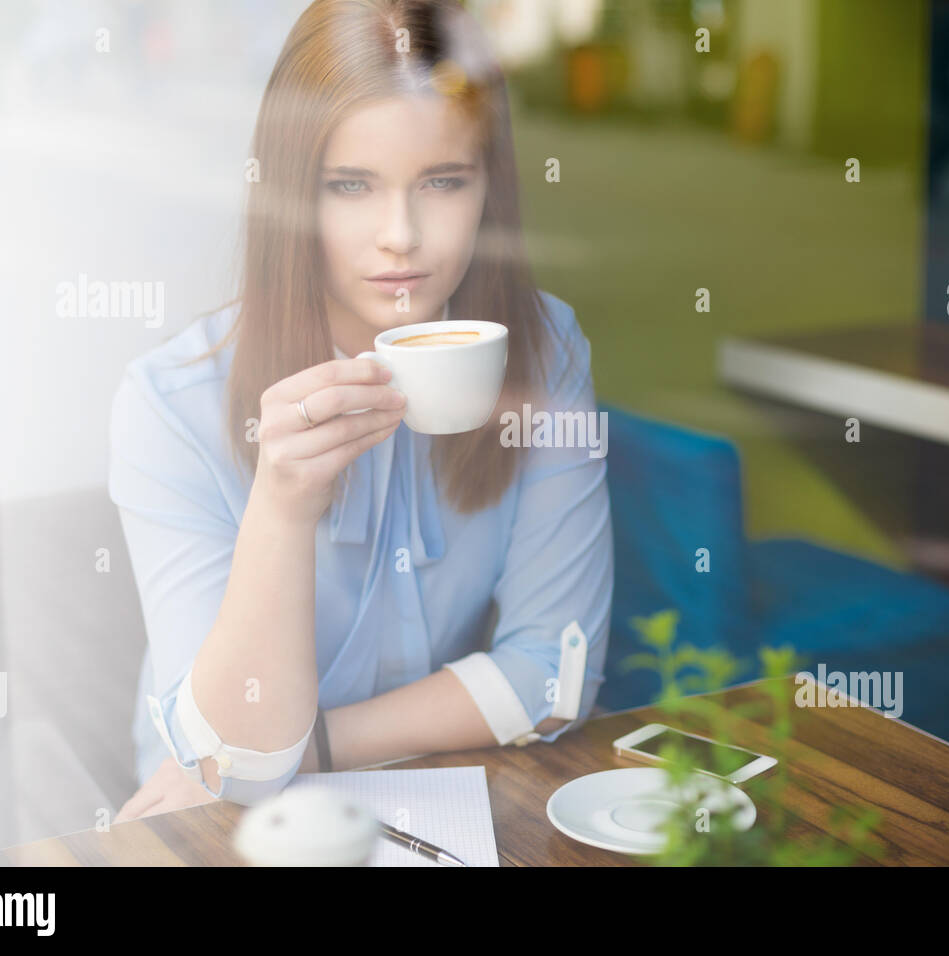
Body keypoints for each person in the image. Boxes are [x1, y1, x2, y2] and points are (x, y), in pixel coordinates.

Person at [110, 0, 612, 820]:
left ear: (491, 186)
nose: (400, 237)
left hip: (439, 788)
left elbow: (553, 680)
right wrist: (281, 504)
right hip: (216, 824)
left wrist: (317, 748)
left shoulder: (546, 347)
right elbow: (233, 769)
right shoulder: (171, 406)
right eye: (350, 186)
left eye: (444, 182)